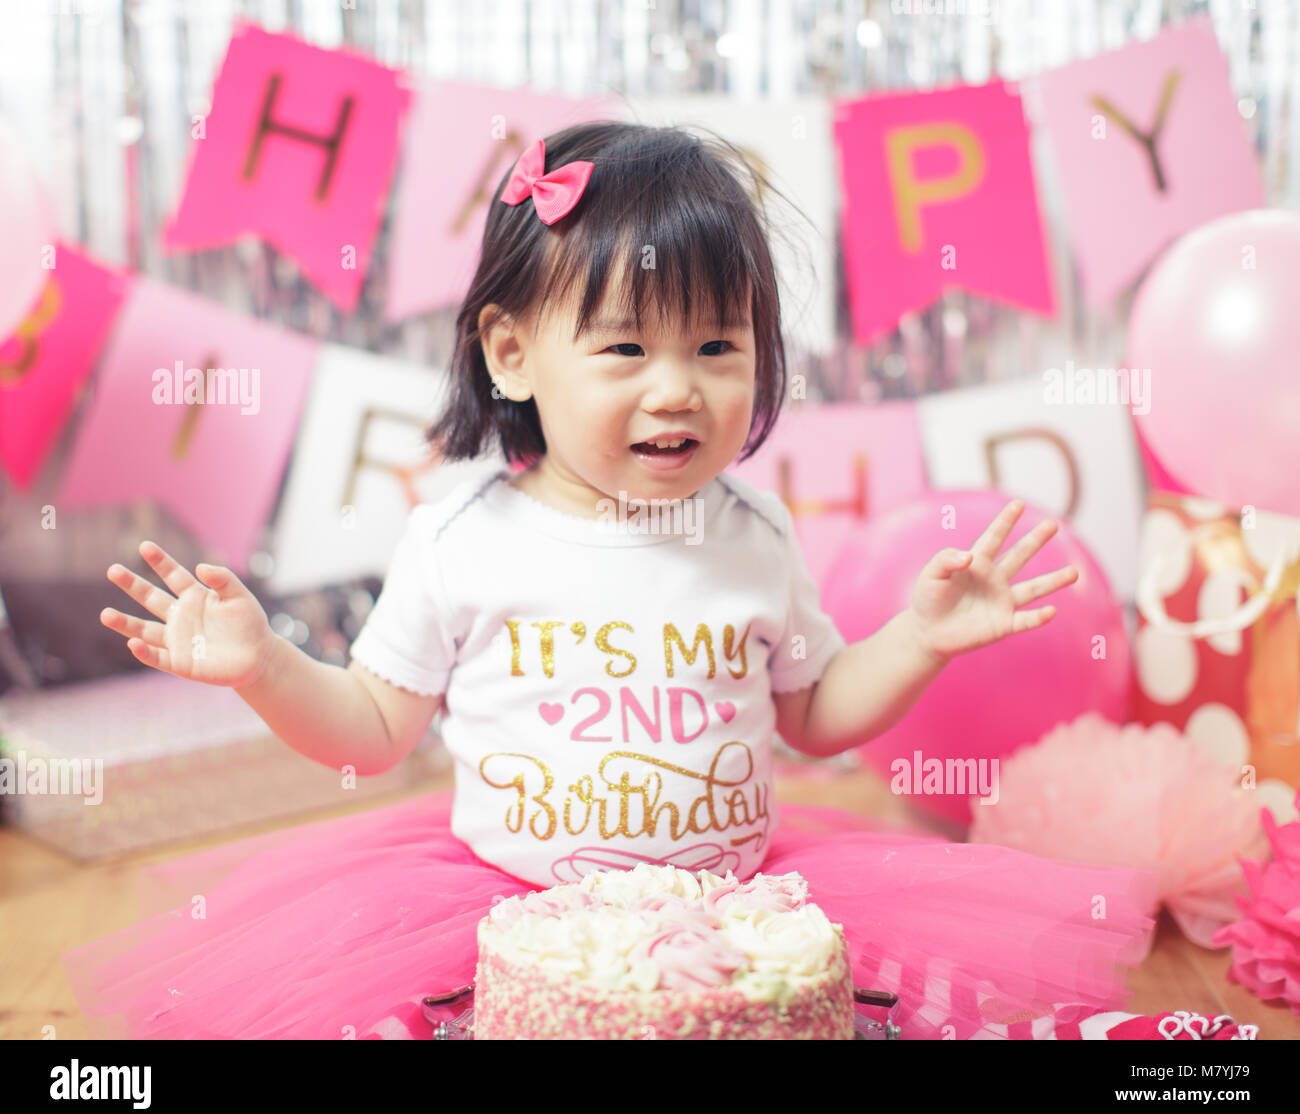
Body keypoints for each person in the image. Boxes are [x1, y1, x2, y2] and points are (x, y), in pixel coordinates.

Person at [63, 122, 1158, 1040]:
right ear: (510, 354)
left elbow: (816, 716)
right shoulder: (464, 539)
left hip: (738, 907)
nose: (676, 389)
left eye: (718, 347)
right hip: (504, 913)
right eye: (626, 350)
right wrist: (265, 666)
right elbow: (369, 730)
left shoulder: (753, 534)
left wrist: (917, 635)